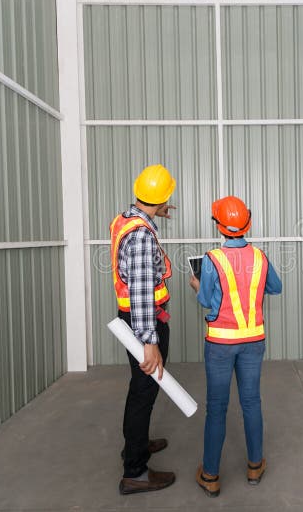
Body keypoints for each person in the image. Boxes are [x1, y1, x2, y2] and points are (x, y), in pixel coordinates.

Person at [188, 196, 283, 497]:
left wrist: (196, 283)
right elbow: (276, 287)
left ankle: (210, 475)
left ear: (218, 226)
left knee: (217, 408)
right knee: (251, 402)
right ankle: (255, 466)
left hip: (220, 344)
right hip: (253, 341)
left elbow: (204, 299)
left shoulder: (213, 259)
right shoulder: (259, 257)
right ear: (247, 224)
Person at [110, 164, 178, 495]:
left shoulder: (127, 220)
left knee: (141, 387)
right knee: (144, 391)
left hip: (134, 319)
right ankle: (134, 471)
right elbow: (139, 289)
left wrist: (157, 211)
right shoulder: (140, 235)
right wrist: (149, 341)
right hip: (144, 320)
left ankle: (136, 444)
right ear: (163, 198)